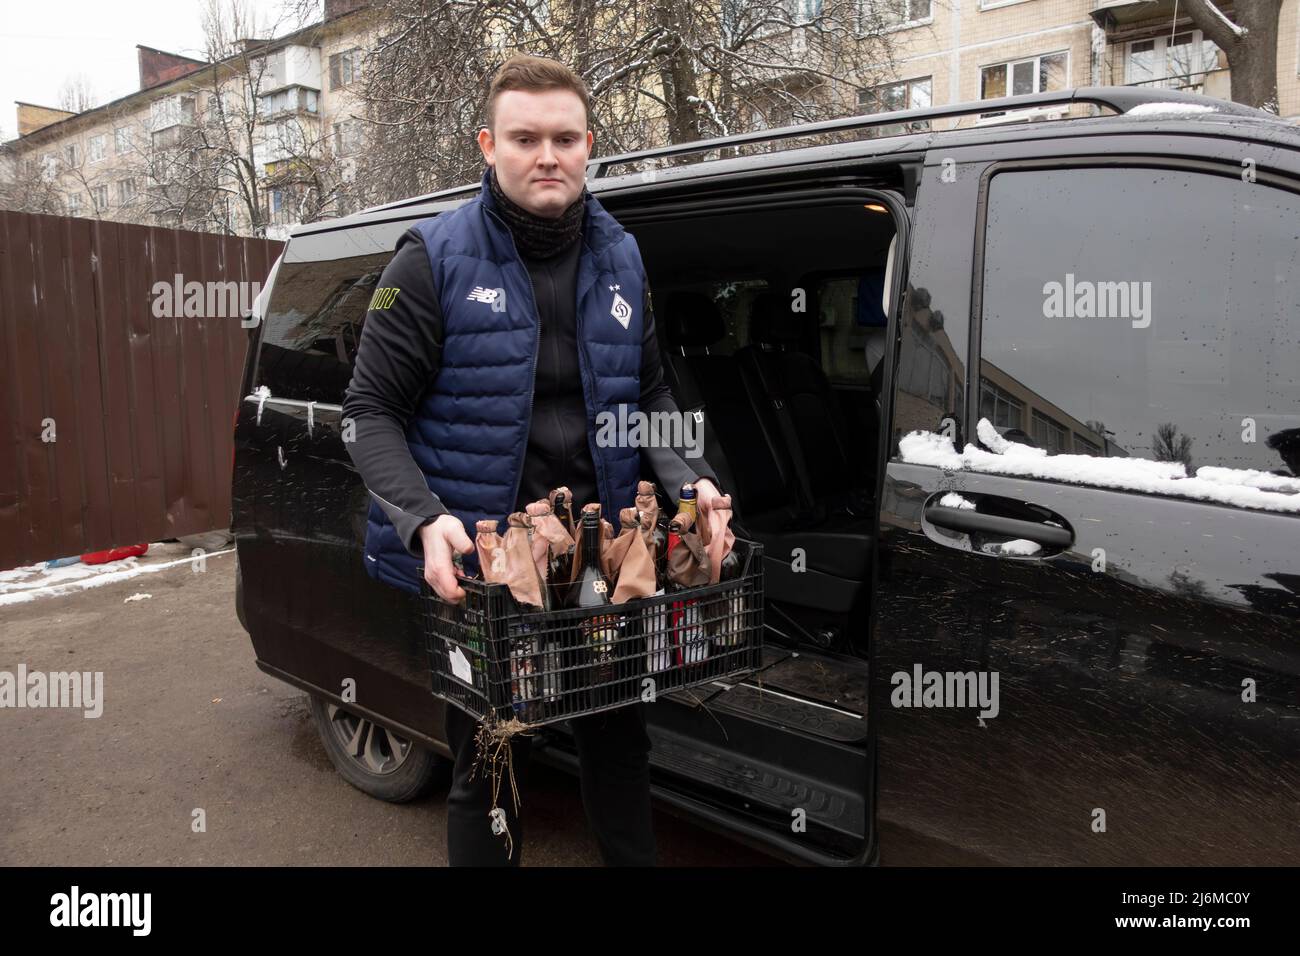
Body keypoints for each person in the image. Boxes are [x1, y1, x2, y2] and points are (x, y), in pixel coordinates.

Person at [341, 53, 728, 866]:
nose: (545, 155)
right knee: (488, 768)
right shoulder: (431, 260)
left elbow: (650, 394)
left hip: (599, 562)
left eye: (563, 137)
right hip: (488, 572)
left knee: (619, 747)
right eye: (524, 138)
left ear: (590, 144)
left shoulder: (622, 256)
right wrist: (421, 520)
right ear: (489, 144)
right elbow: (369, 413)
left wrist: (691, 483)